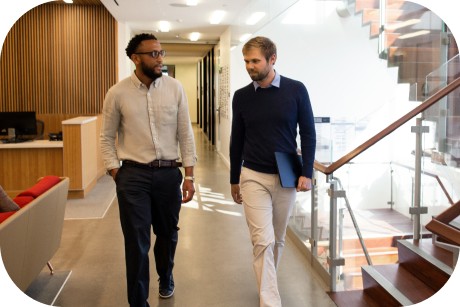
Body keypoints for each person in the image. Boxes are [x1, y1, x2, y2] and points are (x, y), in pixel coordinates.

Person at [100, 33, 196, 307]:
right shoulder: (117, 93)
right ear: (135, 58)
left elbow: (185, 134)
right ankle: (138, 302)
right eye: (153, 53)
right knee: (136, 241)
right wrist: (114, 171)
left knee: (167, 234)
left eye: (161, 52)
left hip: (168, 175)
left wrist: (189, 175)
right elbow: (106, 136)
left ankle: (165, 276)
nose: (160, 58)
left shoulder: (175, 88)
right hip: (133, 176)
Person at [229, 36, 316, 307]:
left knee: (277, 239)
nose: (249, 66)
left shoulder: (296, 90)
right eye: (246, 61)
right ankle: (270, 300)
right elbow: (237, 140)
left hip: (287, 175)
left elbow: (309, 134)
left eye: (255, 60)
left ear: (272, 59)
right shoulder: (242, 97)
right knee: (262, 240)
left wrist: (307, 172)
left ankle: (266, 284)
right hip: (253, 175)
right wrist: (234, 178)